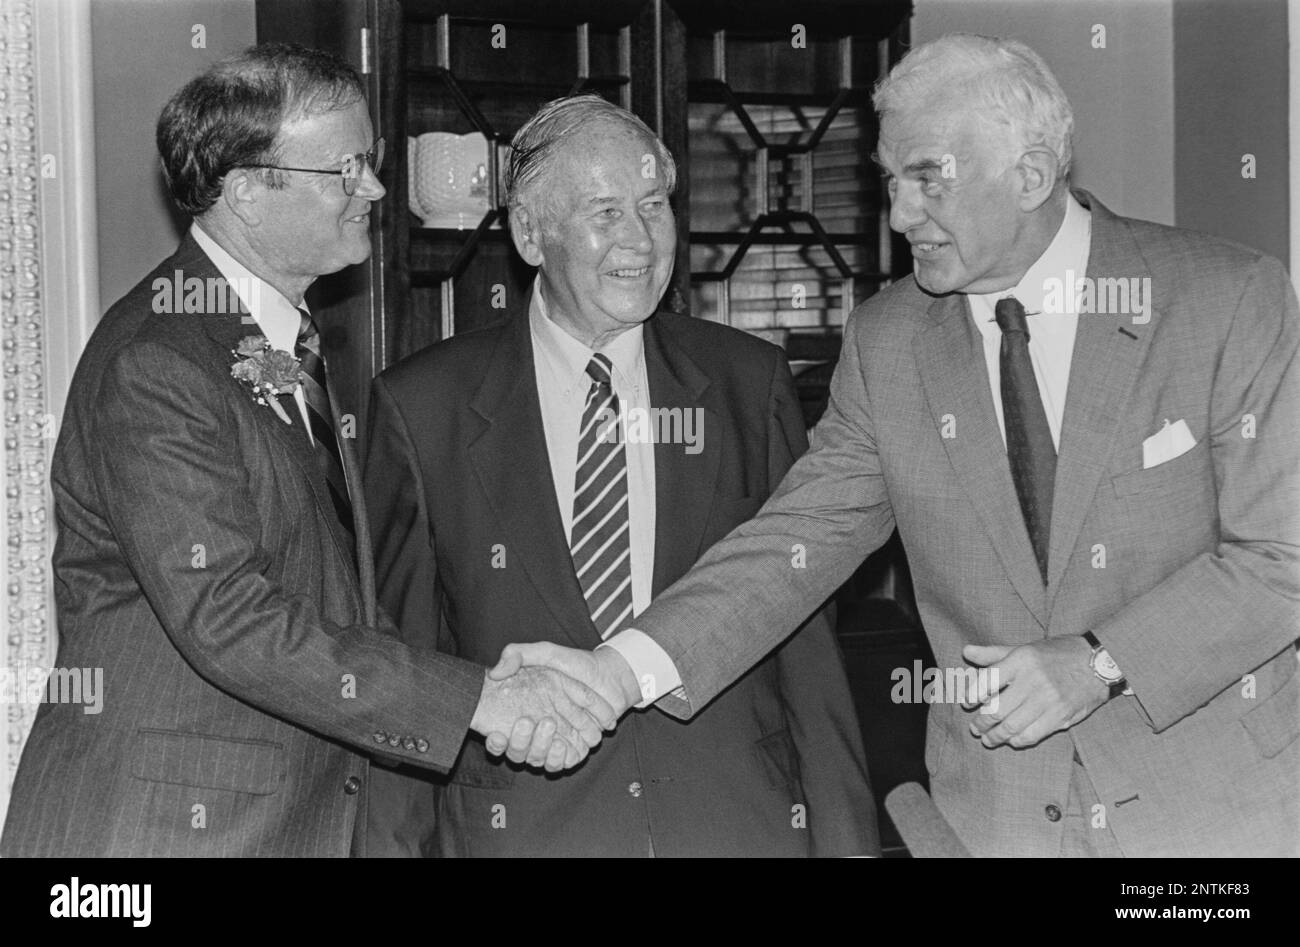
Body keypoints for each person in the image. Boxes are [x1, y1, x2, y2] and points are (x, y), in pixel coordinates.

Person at [495, 35, 1300, 857]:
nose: (901, 215)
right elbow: (792, 545)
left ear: (1029, 174)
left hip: (1210, 818)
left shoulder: (1225, 300)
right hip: (995, 824)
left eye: (928, 179)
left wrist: (1099, 663)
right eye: (889, 180)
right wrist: (617, 670)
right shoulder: (889, 340)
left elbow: (1283, 560)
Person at [0, 43, 611, 859]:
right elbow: (230, 618)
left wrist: (494, 684)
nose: (378, 189)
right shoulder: (158, 359)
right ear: (249, 191)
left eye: (374, 162)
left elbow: (330, 596)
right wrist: (479, 702)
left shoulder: (272, 337)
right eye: (347, 169)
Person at [363, 94, 877, 857]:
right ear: (531, 234)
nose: (639, 240)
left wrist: (847, 842)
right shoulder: (422, 407)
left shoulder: (746, 381)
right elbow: (406, 672)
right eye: (605, 212)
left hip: (740, 826)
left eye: (653, 207)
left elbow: (806, 646)